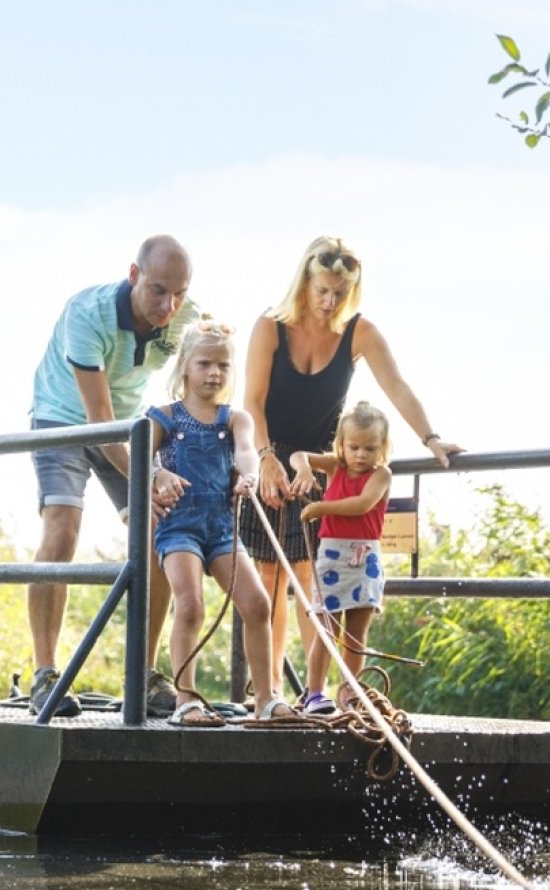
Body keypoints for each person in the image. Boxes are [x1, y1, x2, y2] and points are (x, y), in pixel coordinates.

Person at [240, 236, 463, 714]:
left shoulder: (360, 331)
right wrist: (266, 458)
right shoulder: (270, 325)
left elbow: (396, 385)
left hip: (323, 464)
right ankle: (270, 692)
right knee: (270, 576)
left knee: (312, 579)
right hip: (271, 456)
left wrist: (431, 438)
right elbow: (252, 401)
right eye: (322, 290)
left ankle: (318, 694)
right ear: (305, 281)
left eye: (340, 293)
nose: (329, 302)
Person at [27, 235, 200, 718]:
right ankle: (45, 673)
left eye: (179, 294)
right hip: (64, 419)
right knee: (62, 529)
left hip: (128, 425)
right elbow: (98, 423)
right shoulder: (87, 315)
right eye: (159, 290)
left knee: (160, 531)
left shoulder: (185, 316)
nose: (168, 306)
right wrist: (151, 474)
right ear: (134, 275)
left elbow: (204, 372)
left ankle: (143, 673)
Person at [146, 322, 295, 726]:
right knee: (190, 603)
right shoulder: (164, 417)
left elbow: (246, 451)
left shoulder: (235, 418)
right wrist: (157, 475)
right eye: (205, 364)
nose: (214, 373)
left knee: (257, 603)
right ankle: (186, 700)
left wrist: (249, 475)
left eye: (223, 365)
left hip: (222, 527)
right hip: (179, 526)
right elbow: (140, 458)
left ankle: (265, 698)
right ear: (185, 365)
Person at [291, 401, 393, 711]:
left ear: (382, 447)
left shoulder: (382, 475)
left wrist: (322, 508)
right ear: (342, 445)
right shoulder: (335, 467)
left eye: (370, 448)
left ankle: (350, 693)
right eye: (354, 447)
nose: (361, 455)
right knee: (327, 629)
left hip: (365, 559)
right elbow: (298, 455)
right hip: (333, 557)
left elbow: (363, 504)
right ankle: (314, 693)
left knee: (356, 634)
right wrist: (304, 469)